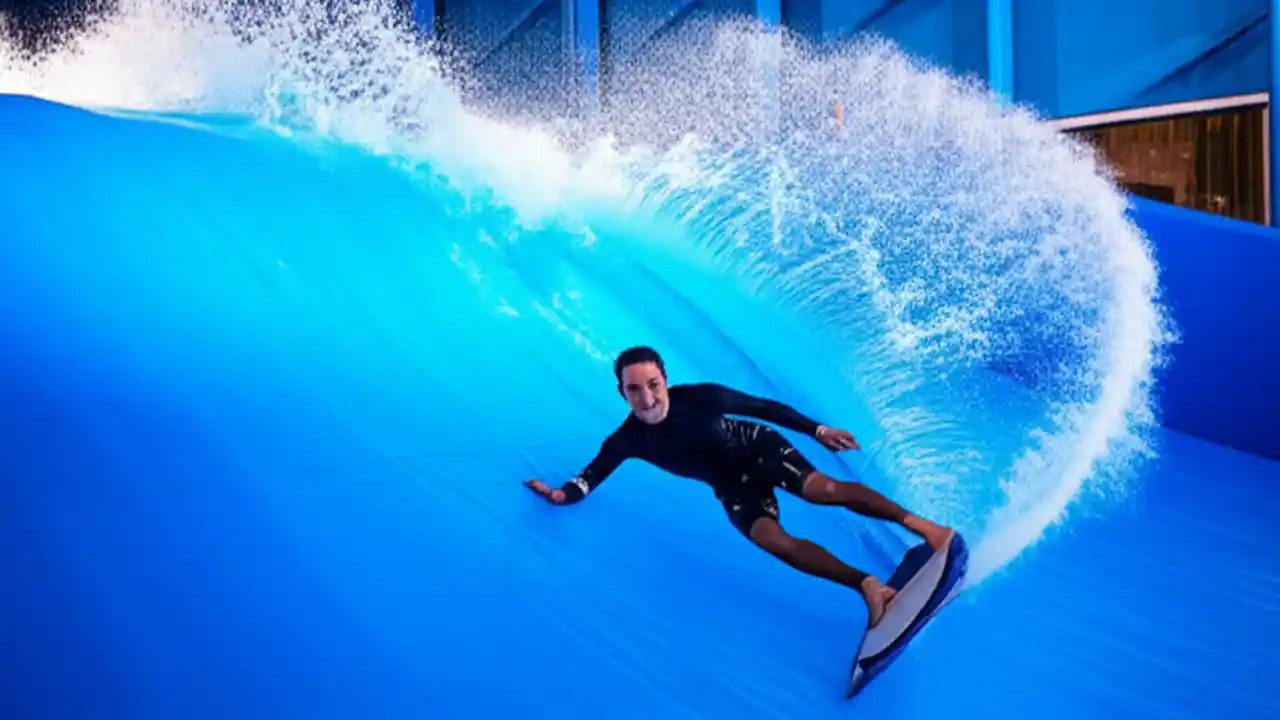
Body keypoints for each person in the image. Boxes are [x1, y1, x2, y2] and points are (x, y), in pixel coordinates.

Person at [524, 346, 955, 627]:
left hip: (757, 449)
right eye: (634, 390)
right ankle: (870, 587)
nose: (648, 398)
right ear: (622, 393)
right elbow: (591, 475)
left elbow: (761, 407)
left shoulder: (702, 397)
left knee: (825, 492)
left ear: (665, 381)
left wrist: (816, 429)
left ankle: (929, 530)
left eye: (653, 385)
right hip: (730, 486)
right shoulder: (625, 440)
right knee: (774, 542)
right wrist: (562, 495)